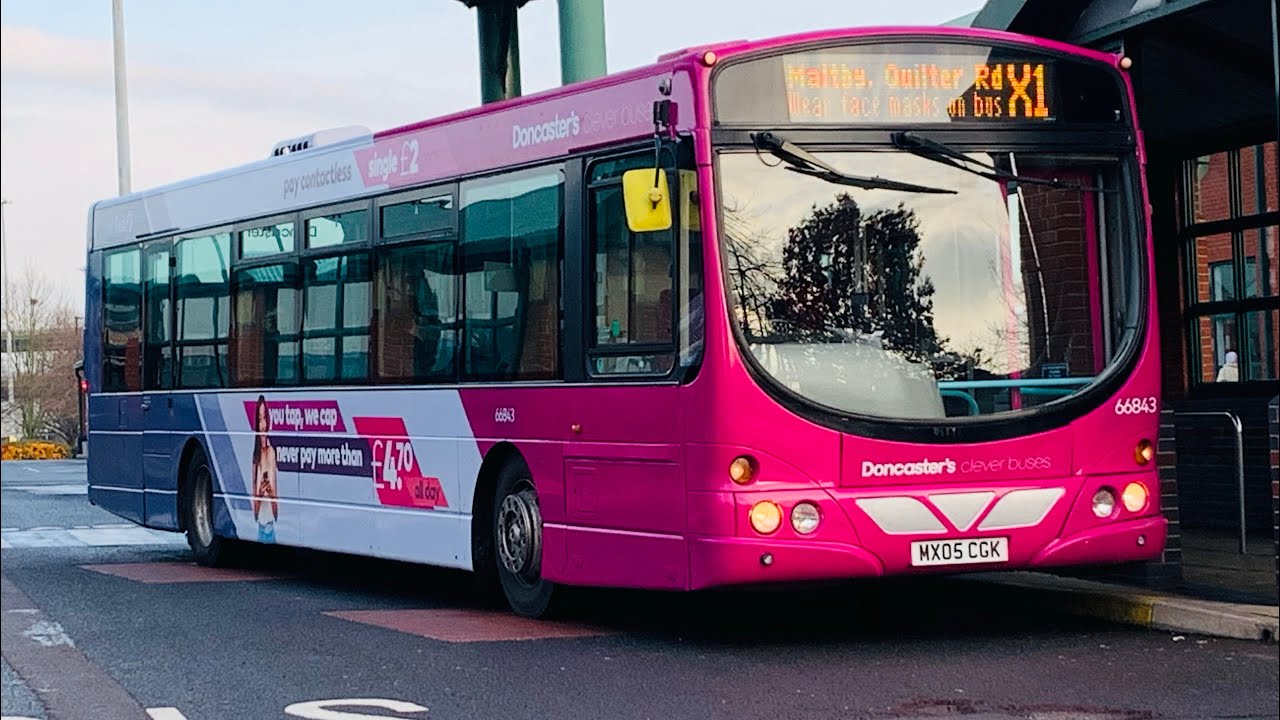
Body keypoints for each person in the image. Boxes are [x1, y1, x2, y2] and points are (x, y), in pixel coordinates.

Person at [249, 395, 278, 543]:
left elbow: (276, 512)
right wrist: (260, 494)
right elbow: (255, 513)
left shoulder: (271, 452)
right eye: (259, 419)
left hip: (271, 529)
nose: (262, 424)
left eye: (265, 417)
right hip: (260, 530)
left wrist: (271, 492)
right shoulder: (255, 458)